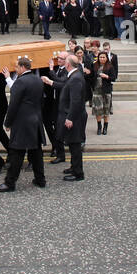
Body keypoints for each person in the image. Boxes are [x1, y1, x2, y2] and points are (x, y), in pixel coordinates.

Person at [0, 57, 46, 191]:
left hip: (22, 123)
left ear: (23, 67)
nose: (15, 70)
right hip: (35, 120)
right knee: (36, 153)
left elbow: (13, 105)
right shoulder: (37, 80)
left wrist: (8, 122)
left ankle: (10, 183)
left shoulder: (20, 82)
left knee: (16, 154)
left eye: (17, 67)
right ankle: (41, 180)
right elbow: (41, 101)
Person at [57, 53, 88, 181]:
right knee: (71, 143)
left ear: (67, 64)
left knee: (75, 145)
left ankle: (78, 173)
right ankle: (73, 166)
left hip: (75, 117)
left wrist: (70, 118)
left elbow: (75, 101)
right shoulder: (75, 75)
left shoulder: (75, 78)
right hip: (74, 115)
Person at [92, 50, 115, 135]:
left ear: (106, 58)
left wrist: (107, 76)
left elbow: (113, 78)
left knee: (106, 110)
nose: (102, 59)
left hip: (106, 91)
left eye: (103, 57)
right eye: (100, 57)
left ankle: (105, 127)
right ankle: (99, 127)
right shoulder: (94, 65)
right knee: (98, 110)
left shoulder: (110, 66)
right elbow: (91, 77)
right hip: (97, 91)